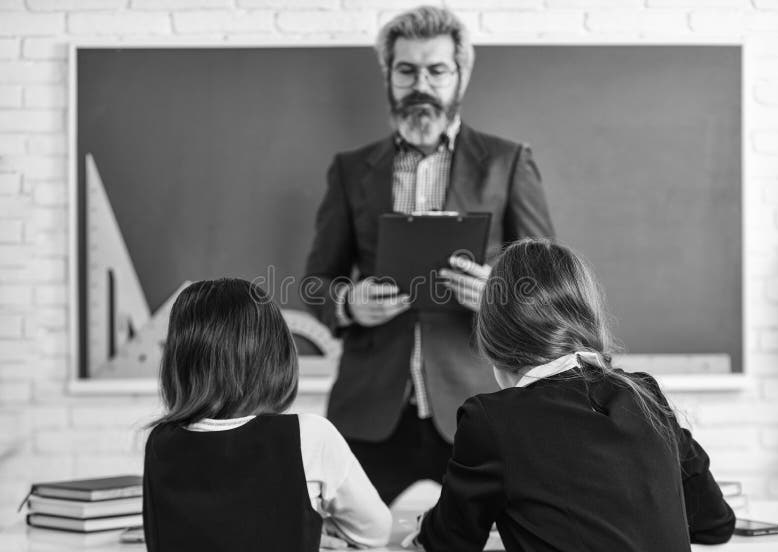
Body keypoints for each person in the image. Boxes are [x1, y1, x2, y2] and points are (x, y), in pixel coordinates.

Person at [303, 5, 554, 505]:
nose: (422, 83)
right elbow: (316, 282)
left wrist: (498, 295)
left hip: (478, 407)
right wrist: (350, 303)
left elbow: (549, 285)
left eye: (436, 69)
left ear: (460, 75)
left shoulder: (508, 162)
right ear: (388, 76)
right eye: (406, 70)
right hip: (369, 412)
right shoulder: (351, 170)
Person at [408, 238, 736, 551]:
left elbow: (450, 542)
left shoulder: (491, 420)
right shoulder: (643, 394)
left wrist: (428, 528)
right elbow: (715, 522)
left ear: (493, 334)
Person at [142, 278, 392, 551]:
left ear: (178, 362)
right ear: (277, 355)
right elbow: (375, 532)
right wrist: (309, 529)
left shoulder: (159, 442)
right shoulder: (310, 435)